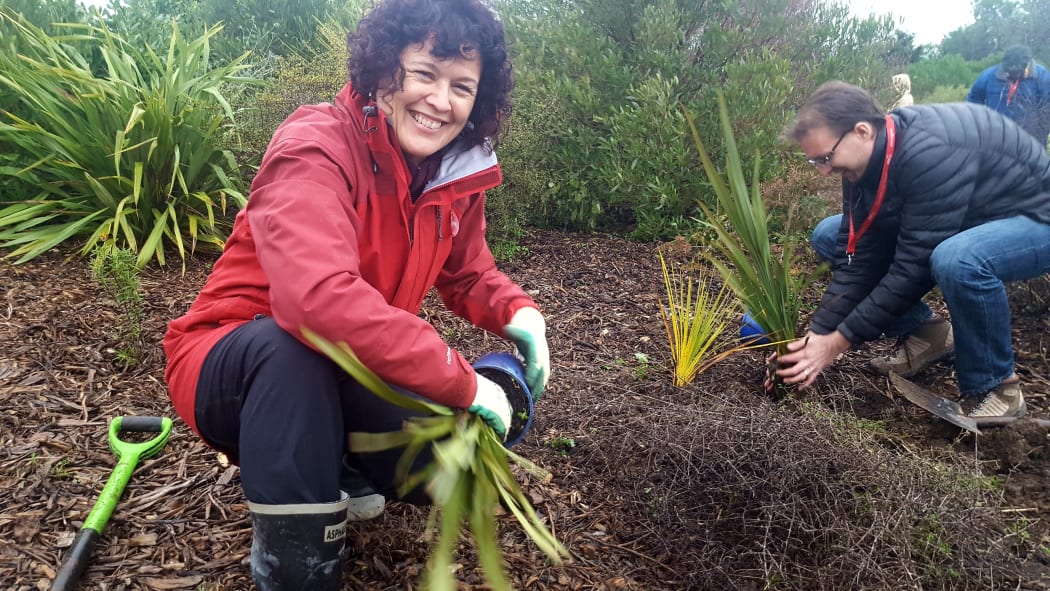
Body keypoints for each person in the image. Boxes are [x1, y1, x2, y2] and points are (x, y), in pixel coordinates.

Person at [162, 0, 551, 588]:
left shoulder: (451, 173)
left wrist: (519, 312)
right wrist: (462, 378)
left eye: (462, 86)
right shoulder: (316, 143)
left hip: (344, 362)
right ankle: (296, 569)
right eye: (424, 73)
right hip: (234, 362)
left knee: (447, 446)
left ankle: (344, 465)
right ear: (382, 68)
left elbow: (468, 271)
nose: (441, 101)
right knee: (293, 348)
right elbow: (315, 300)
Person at [770, 81, 1050, 421]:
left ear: (862, 131)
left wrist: (839, 342)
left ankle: (999, 388)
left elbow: (913, 267)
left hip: (1032, 217)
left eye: (827, 158)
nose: (826, 171)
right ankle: (929, 334)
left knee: (959, 259)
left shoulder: (930, 150)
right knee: (830, 235)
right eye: (815, 162)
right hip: (968, 214)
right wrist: (818, 335)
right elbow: (856, 257)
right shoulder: (865, 161)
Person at [966, 45, 1050, 146]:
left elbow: (1047, 110)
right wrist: (981, 125)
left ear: (1026, 65)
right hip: (997, 138)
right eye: (1009, 71)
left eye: (1017, 72)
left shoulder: (1042, 77)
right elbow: (973, 100)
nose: (1012, 75)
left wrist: (1040, 135)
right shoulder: (988, 76)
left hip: (1031, 140)